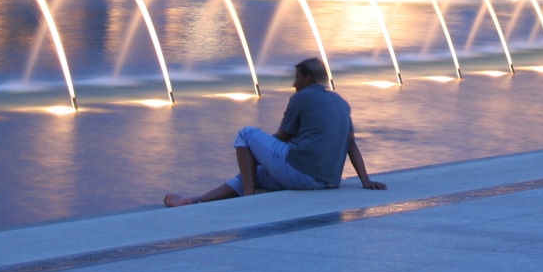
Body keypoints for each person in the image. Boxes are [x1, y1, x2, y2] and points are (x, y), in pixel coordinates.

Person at [163, 57, 385, 206]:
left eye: (297, 77)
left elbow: (282, 137)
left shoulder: (302, 97)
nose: (293, 83)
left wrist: (255, 153)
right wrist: (365, 181)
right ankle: (194, 201)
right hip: (326, 181)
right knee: (254, 174)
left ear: (308, 78)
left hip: (302, 174)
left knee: (246, 134)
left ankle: (248, 197)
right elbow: (351, 145)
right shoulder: (341, 102)